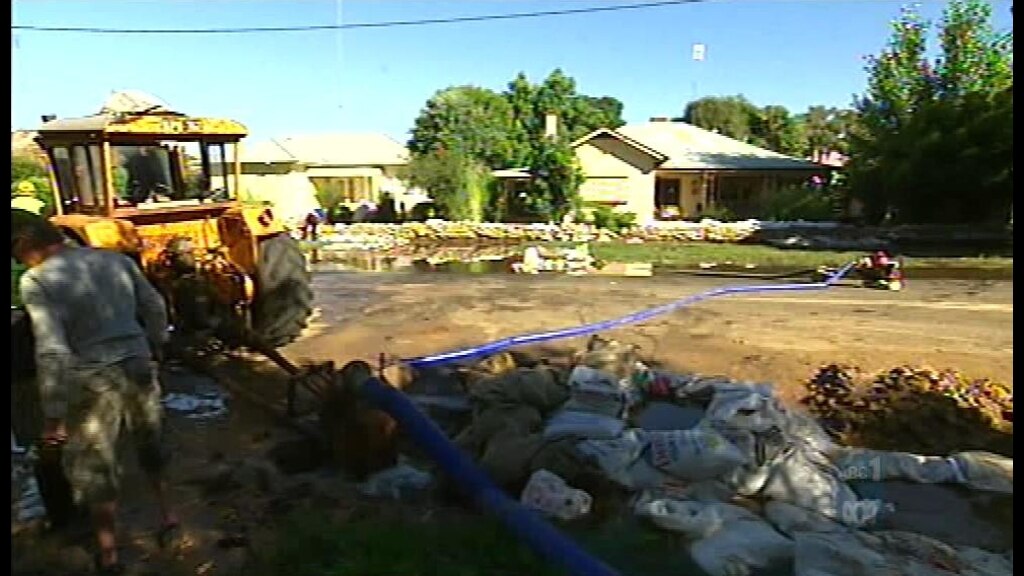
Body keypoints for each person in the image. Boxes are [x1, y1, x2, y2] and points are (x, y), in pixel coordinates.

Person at [11, 211, 180, 574]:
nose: (18, 260)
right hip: (137, 364)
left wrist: (54, 416)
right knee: (151, 442)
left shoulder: (36, 280)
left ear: (26, 243)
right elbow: (154, 305)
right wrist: (156, 345)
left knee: (95, 466)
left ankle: (109, 556)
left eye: (15, 252)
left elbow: (52, 350)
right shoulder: (115, 260)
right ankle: (169, 518)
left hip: (91, 380)